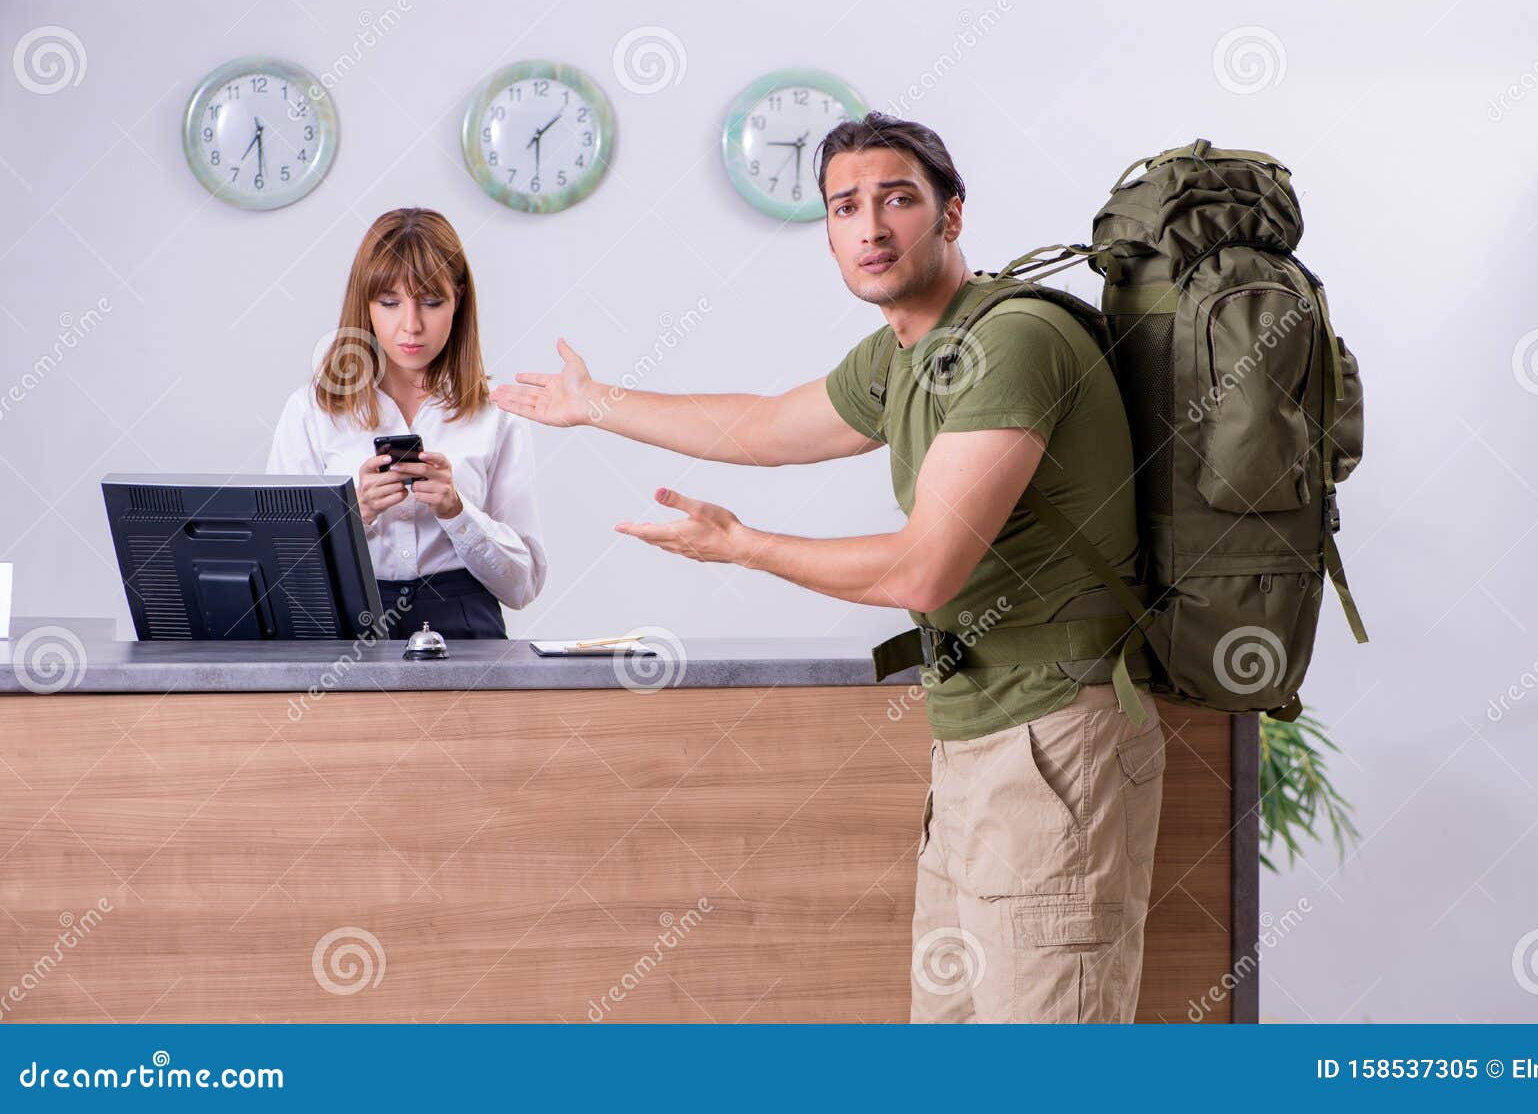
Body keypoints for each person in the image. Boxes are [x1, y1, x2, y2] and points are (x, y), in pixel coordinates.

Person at [491, 114, 1165, 1023]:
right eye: (846, 207)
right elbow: (766, 426)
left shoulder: (1010, 343)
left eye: (897, 199)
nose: (871, 227)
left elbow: (922, 572)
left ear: (951, 214)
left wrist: (746, 548)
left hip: (1052, 740)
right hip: (977, 740)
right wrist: (594, 403)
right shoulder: (906, 353)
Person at [268, 207, 547, 639]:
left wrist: (457, 511)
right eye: (390, 303)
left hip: (464, 627)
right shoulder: (311, 410)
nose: (411, 326)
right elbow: (281, 576)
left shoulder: (497, 412)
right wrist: (354, 515)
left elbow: (522, 585)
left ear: (458, 301)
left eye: (431, 302)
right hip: (347, 629)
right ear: (365, 304)